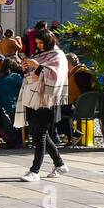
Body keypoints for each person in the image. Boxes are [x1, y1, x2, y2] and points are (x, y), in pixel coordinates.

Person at [17, 29, 70, 183]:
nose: (39, 46)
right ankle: (60, 164)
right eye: (37, 43)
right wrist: (26, 66)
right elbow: (34, 72)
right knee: (41, 134)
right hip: (33, 97)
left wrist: (37, 66)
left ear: (48, 41)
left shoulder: (58, 56)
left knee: (39, 135)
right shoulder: (41, 54)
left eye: (41, 43)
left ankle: (35, 171)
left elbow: (55, 76)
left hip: (48, 100)